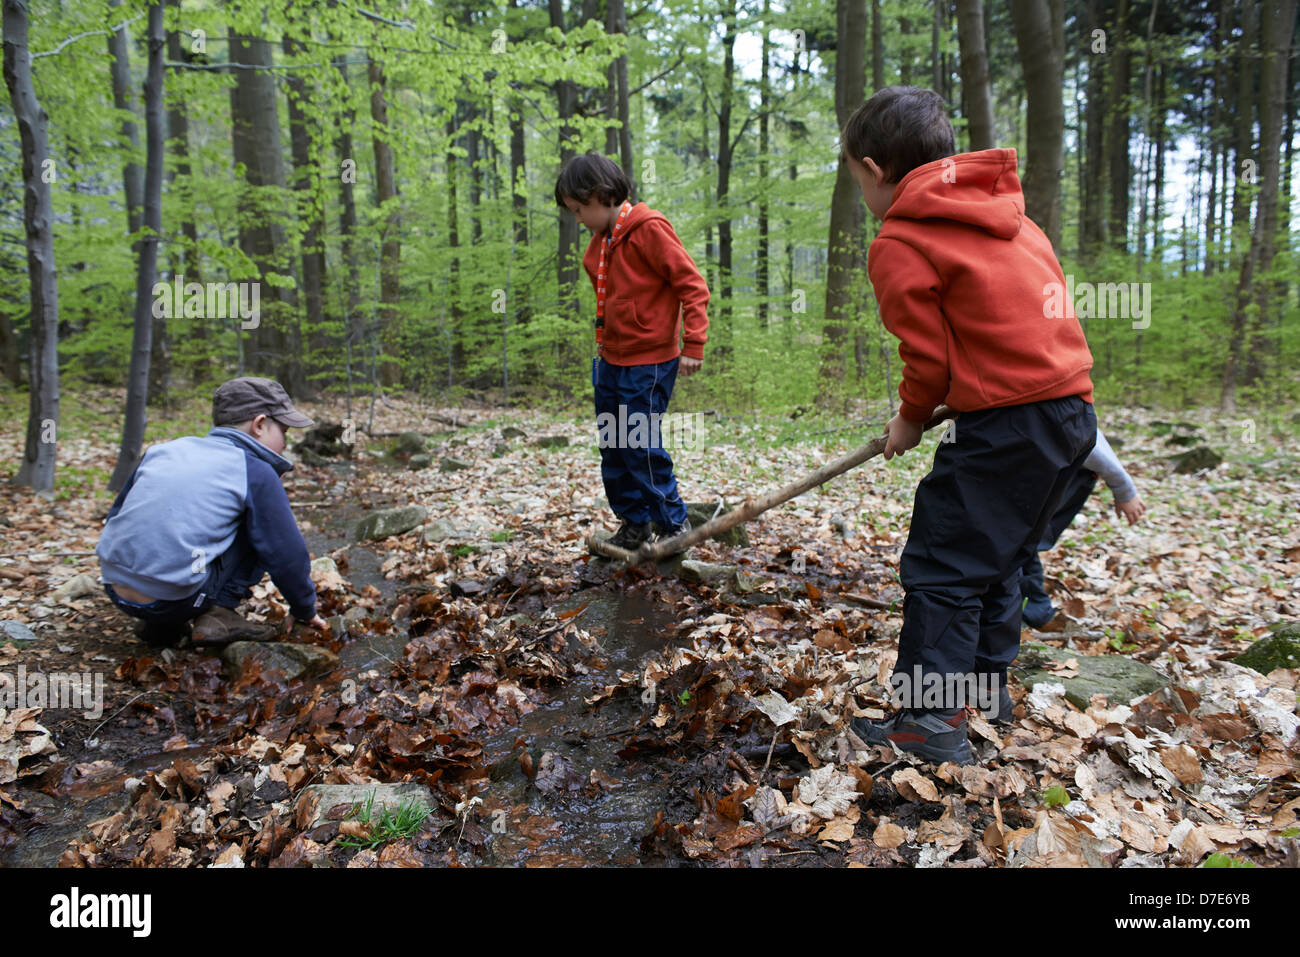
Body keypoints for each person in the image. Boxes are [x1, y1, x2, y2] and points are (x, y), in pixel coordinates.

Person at [840, 87, 1098, 764]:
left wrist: (909, 417)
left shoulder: (901, 239)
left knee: (944, 560)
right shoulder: (1014, 219)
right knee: (1005, 556)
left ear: (871, 169)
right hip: (1071, 415)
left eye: (856, 179)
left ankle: (928, 720)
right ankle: (984, 695)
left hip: (1007, 427)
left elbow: (926, 356)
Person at [96, 376, 329, 648]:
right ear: (260, 425)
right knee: (263, 526)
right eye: (284, 433)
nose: (286, 445)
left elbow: (116, 516)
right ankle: (219, 614)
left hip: (114, 587)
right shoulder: (254, 471)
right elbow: (285, 552)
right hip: (175, 601)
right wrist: (304, 608)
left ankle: (160, 626)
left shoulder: (162, 451)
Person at [554, 152, 709, 554]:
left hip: (650, 360)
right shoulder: (600, 243)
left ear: (600, 195)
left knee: (638, 442)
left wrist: (693, 343)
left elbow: (692, 286)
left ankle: (673, 525)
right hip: (611, 361)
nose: (578, 219)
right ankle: (634, 522)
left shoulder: (649, 229)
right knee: (613, 442)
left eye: (578, 209)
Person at [1021, 428, 1146, 629]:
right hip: (1031, 469)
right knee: (1021, 542)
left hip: (1065, 472)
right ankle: (1034, 611)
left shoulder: (1057, 405)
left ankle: (1034, 612)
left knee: (1024, 542)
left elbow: (1087, 437)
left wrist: (1124, 489)